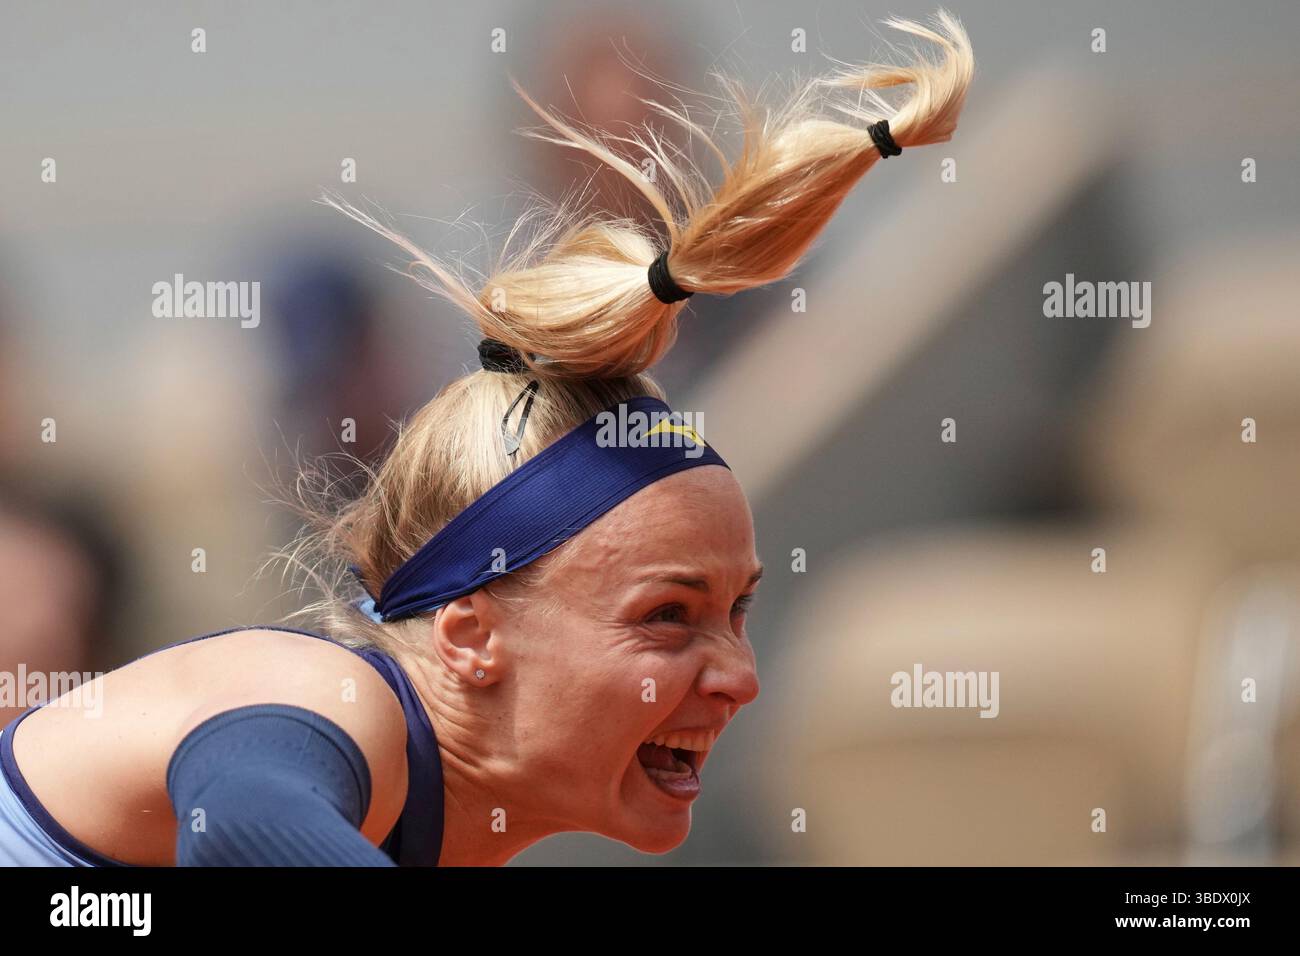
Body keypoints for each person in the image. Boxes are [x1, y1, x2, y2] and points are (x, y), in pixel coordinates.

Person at [0, 10, 973, 867]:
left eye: (738, 612)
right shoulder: (335, 704)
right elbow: (242, 818)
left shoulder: (436, 807)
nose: (740, 675)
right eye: (669, 615)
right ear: (470, 633)